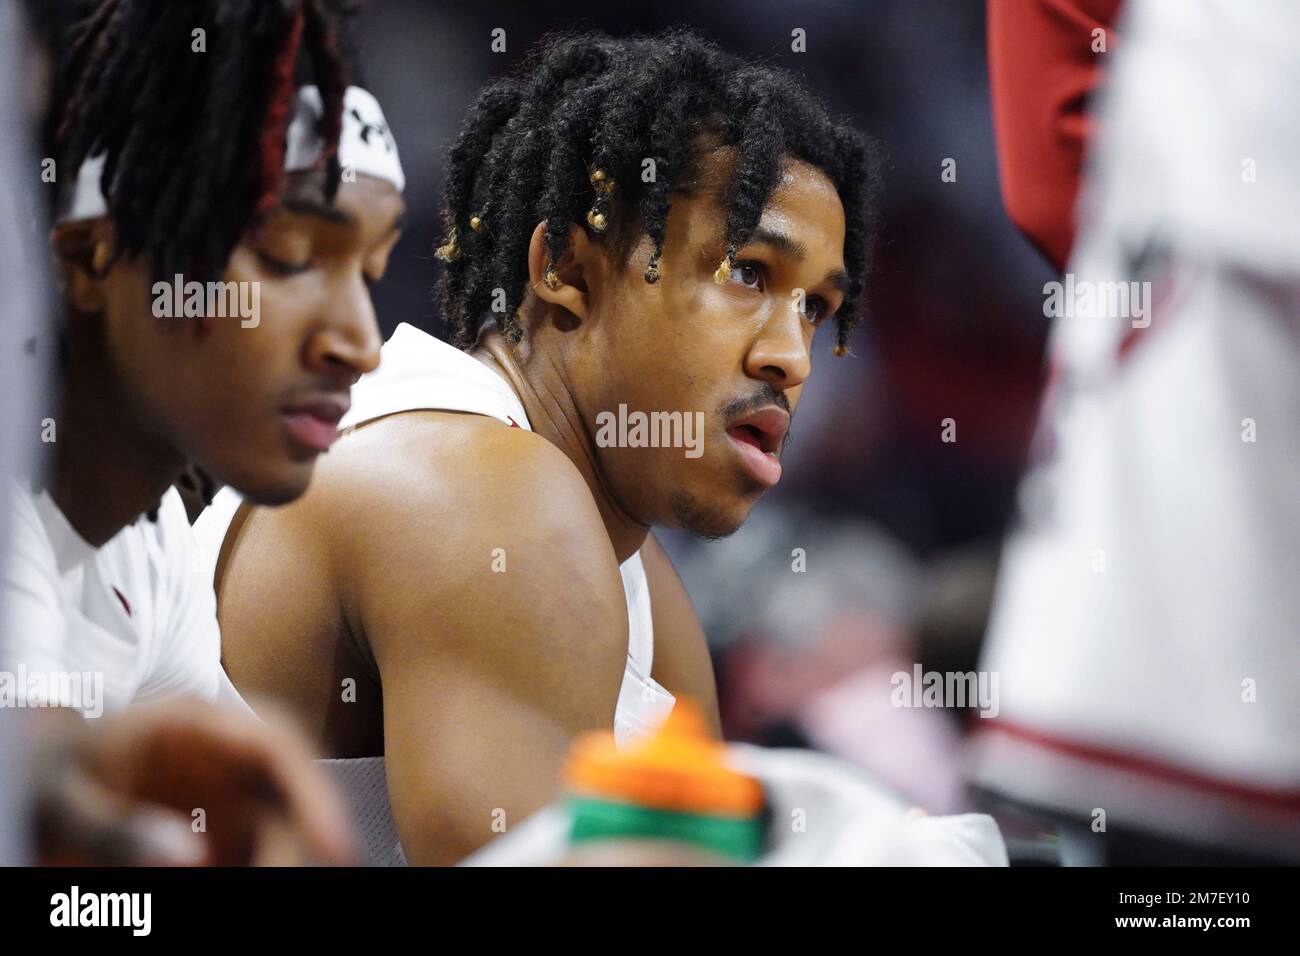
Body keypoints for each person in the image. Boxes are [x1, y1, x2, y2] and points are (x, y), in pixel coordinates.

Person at [196, 29, 881, 865]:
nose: (792, 356)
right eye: (747, 274)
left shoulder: (637, 581)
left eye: (815, 307)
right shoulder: (478, 489)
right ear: (565, 269)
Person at [2, 0, 405, 864]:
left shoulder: (149, 548)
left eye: (370, 270)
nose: (361, 344)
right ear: (89, 258)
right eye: (293, 255)